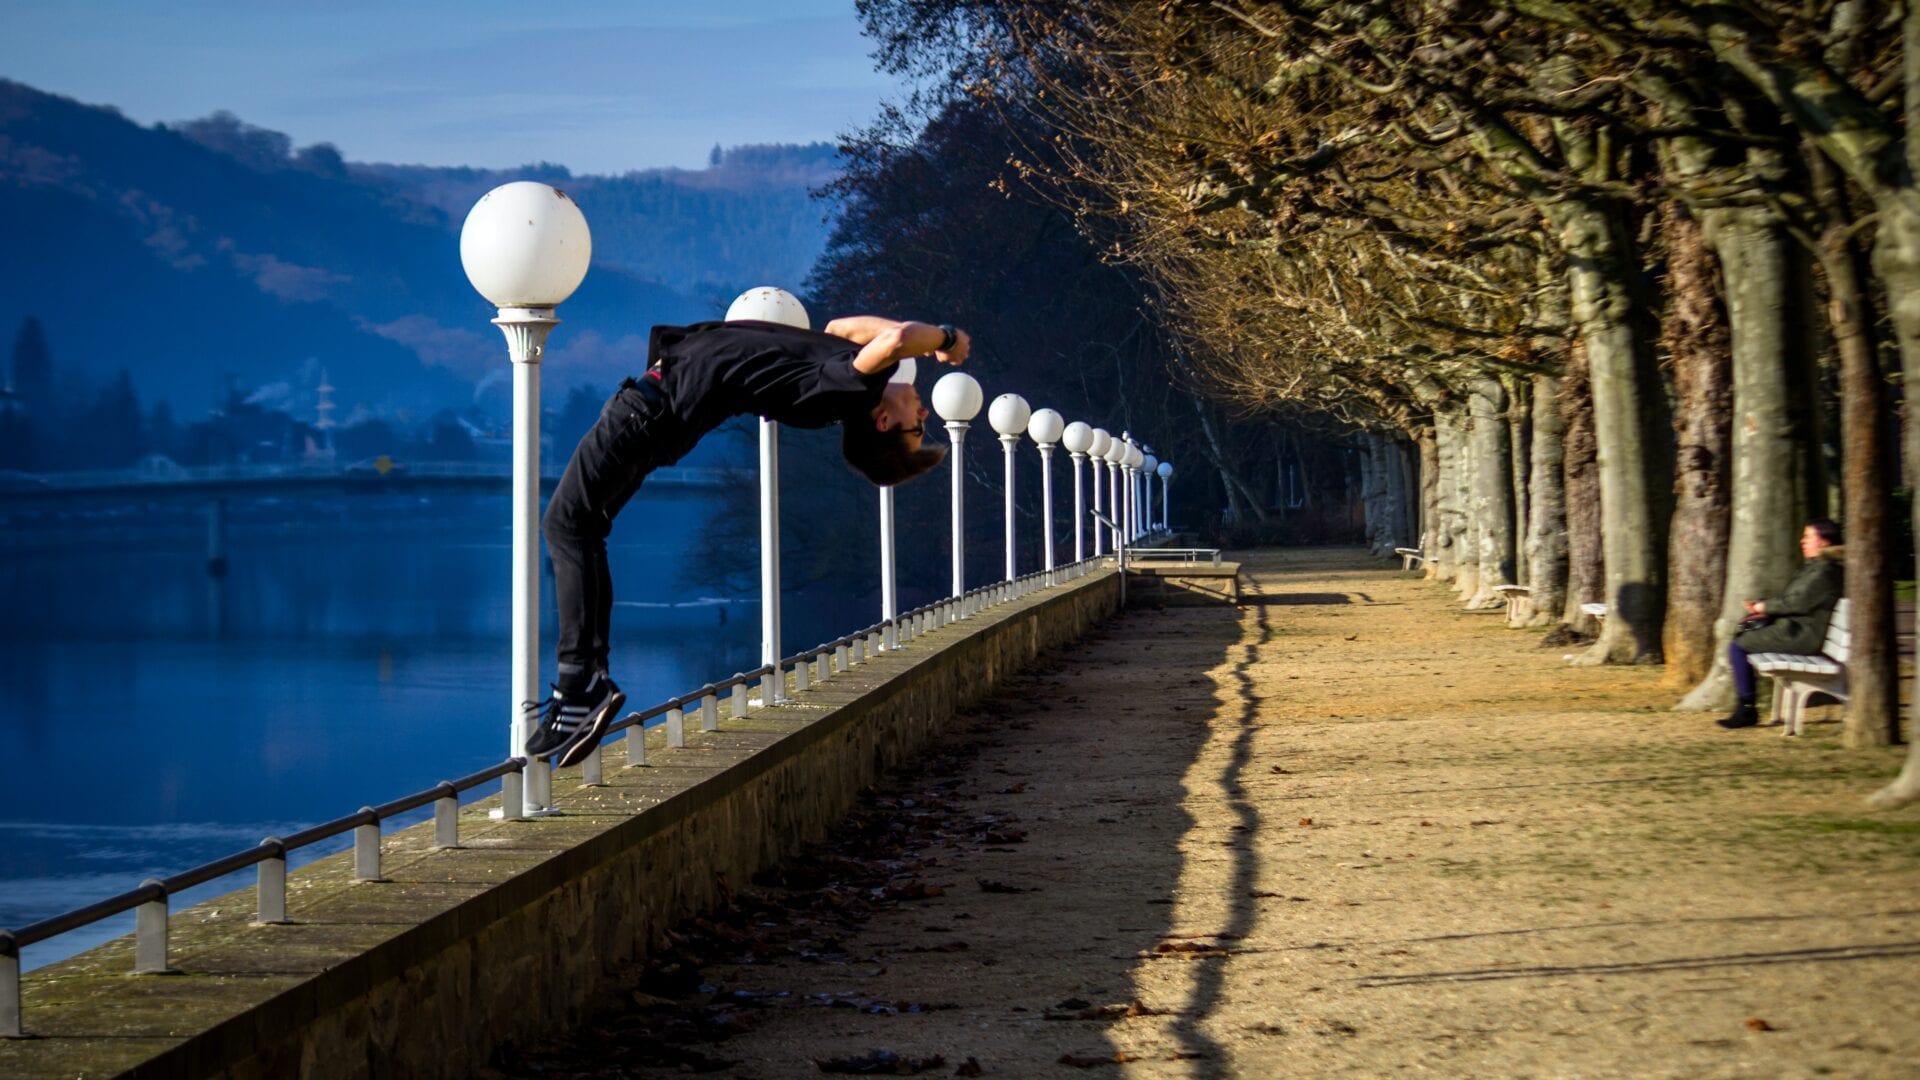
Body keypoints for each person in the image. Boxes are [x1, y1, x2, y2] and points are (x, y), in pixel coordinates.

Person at [526, 315, 971, 765]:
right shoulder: (842, 369)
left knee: (566, 525)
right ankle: (587, 680)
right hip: (650, 414)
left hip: (647, 415)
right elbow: (843, 327)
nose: (924, 413)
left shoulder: (846, 388)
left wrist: (945, 338)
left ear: (882, 423)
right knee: (582, 529)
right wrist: (926, 345)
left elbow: (895, 340)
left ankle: (581, 685)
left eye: (916, 429)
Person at [1718, 518, 1845, 729]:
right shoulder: (1819, 567)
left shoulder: (1824, 572)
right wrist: (1764, 607)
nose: (1802, 541)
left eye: (1808, 537)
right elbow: (1794, 599)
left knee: (1738, 645)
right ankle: (1746, 707)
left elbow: (1796, 601)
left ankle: (1747, 709)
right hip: (1799, 629)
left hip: (1804, 635)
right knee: (1742, 636)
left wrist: (1763, 608)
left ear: (1825, 542)